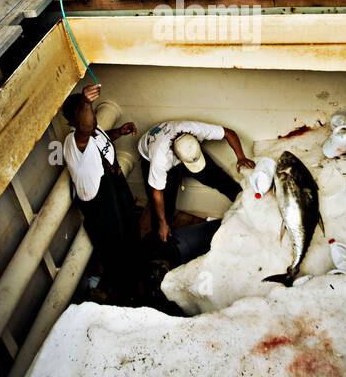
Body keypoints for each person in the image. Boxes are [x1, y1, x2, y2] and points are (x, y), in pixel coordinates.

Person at [61, 84, 141, 303]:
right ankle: (126, 293)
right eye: (84, 112)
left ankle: (138, 273)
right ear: (74, 120)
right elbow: (86, 131)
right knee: (114, 246)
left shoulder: (94, 130)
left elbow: (99, 139)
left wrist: (120, 131)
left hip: (113, 181)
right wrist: (86, 102)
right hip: (98, 197)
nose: (90, 116)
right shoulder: (74, 141)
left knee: (130, 224)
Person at [138, 120, 252, 244]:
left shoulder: (195, 129)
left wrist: (241, 157)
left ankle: (248, 202)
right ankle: (163, 241)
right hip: (150, 156)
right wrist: (162, 223)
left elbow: (229, 133)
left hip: (183, 152)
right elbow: (157, 194)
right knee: (165, 204)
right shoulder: (160, 159)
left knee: (218, 177)